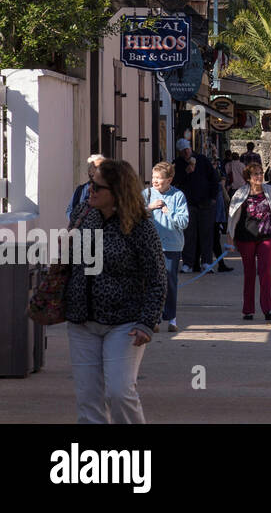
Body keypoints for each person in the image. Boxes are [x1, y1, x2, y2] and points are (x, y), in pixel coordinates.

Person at [65, 158, 166, 423]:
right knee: (89, 400)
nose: (90, 191)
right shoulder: (82, 216)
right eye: (90, 184)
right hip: (82, 320)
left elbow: (157, 279)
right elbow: (72, 262)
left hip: (125, 323)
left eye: (97, 187)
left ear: (117, 192)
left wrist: (147, 322)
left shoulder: (140, 227)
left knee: (120, 392)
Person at [228, 163, 271, 321]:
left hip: (266, 237)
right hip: (245, 237)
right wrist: (230, 239)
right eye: (255, 174)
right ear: (248, 177)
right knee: (249, 274)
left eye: (261, 173)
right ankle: (248, 310)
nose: (259, 176)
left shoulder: (270, 191)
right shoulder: (240, 193)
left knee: (265, 273)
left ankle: (268, 309)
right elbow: (232, 217)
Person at [143, 161, 189, 332]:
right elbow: (134, 214)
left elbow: (184, 222)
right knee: (151, 282)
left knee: (169, 282)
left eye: (159, 178)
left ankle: (171, 318)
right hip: (150, 245)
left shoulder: (178, 196)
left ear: (169, 180)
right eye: (154, 177)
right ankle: (153, 318)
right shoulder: (146, 194)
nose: (155, 181)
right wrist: (149, 207)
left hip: (172, 245)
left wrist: (169, 212)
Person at [174, 139, 225, 274]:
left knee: (206, 234)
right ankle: (188, 263)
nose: (186, 152)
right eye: (183, 151)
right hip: (188, 204)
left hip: (206, 203)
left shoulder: (202, 160)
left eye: (187, 149)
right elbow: (174, 181)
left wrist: (213, 198)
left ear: (190, 148)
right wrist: (186, 172)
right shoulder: (177, 164)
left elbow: (214, 178)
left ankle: (207, 262)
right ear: (179, 153)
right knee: (188, 235)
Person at [67, 153, 107, 221]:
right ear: (89, 171)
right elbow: (70, 210)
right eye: (95, 167)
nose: (98, 169)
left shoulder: (107, 191)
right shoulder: (80, 190)